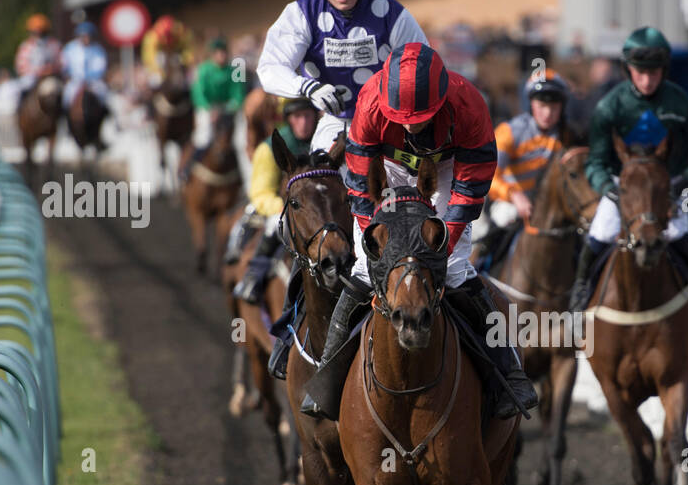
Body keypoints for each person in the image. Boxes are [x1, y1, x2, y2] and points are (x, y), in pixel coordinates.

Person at [299, 42, 538, 421]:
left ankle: (509, 373)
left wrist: (448, 239)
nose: (411, 123)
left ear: (441, 98)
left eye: (420, 116)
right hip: (389, 168)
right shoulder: (370, 102)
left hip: (445, 169)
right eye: (403, 117)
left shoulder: (468, 104)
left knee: (457, 269)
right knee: (363, 268)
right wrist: (371, 237)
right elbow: (361, 181)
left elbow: (473, 181)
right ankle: (327, 375)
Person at [569, 26, 688, 330]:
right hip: (622, 186)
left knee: (678, 233)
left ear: (663, 70)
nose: (646, 80)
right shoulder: (610, 106)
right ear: (628, 70)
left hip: (667, 184)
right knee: (601, 232)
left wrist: (685, 182)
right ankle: (580, 296)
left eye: (653, 73)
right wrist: (609, 190)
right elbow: (596, 161)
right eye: (639, 72)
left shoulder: (680, 103)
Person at [257, 0, 427, 155]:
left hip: (390, 123)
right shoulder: (301, 13)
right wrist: (307, 87)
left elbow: (424, 65)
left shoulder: (391, 13)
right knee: (316, 187)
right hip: (336, 123)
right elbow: (270, 67)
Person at [474, 71, 571, 268]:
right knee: (505, 217)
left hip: (548, 207)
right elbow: (488, 175)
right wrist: (515, 195)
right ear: (531, 104)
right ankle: (481, 268)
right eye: (542, 106)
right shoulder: (509, 131)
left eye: (554, 107)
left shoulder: (567, 136)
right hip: (508, 203)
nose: (548, 113)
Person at [230, 97, 319, 303]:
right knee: (274, 225)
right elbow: (260, 192)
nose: (304, 123)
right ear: (288, 119)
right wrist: (281, 207)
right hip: (282, 206)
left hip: (318, 209)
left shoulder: (323, 140)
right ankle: (253, 276)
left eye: (307, 116)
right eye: (298, 117)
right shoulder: (269, 147)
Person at [179, 37, 247, 179]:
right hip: (207, 107)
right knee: (204, 136)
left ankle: (245, 175)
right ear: (212, 55)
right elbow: (198, 93)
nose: (221, 56)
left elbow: (238, 94)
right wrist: (210, 109)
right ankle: (188, 169)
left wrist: (229, 108)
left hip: (229, 108)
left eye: (223, 52)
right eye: (218, 53)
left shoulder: (235, 68)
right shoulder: (203, 69)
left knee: (241, 139)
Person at [59, 21, 109, 111]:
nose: (86, 39)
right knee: (67, 96)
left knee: (104, 94)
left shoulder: (98, 49)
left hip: (93, 82)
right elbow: (64, 65)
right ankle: (64, 119)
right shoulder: (70, 48)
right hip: (75, 81)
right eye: (83, 36)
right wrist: (69, 75)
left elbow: (101, 68)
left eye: (88, 36)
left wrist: (89, 78)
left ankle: (106, 118)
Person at [14, 14, 61, 102]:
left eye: (42, 33)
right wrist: (38, 72)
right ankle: (18, 111)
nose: (39, 36)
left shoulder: (54, 45)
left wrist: (51, 70)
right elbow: (20, 67)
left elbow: (61, 63)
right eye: (35, 33)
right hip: (31, 77)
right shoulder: (26, 46)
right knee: (18, 90)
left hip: (51, 76)